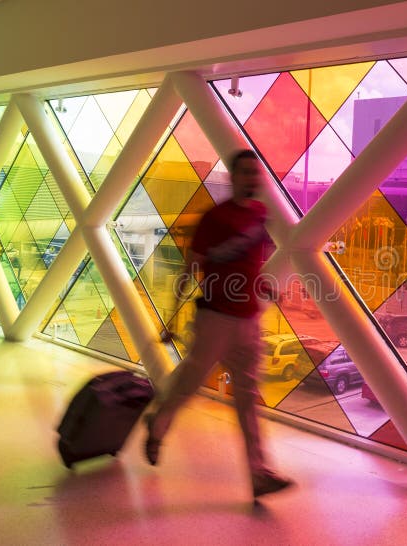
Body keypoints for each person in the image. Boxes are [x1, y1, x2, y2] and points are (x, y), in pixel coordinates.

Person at [143, 149, 294, 499]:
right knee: (189, 384)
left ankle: (258, 474)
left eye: (256, 174)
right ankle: (159, 424)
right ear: (232, 177)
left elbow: (251, 266)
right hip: (215, 320)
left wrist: (266, 286)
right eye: (245, 173)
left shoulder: (260, 215)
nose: (253, 179)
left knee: (247, 399)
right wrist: (172, 316)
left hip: (248, 321)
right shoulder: (215, 219)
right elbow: (190, 269)